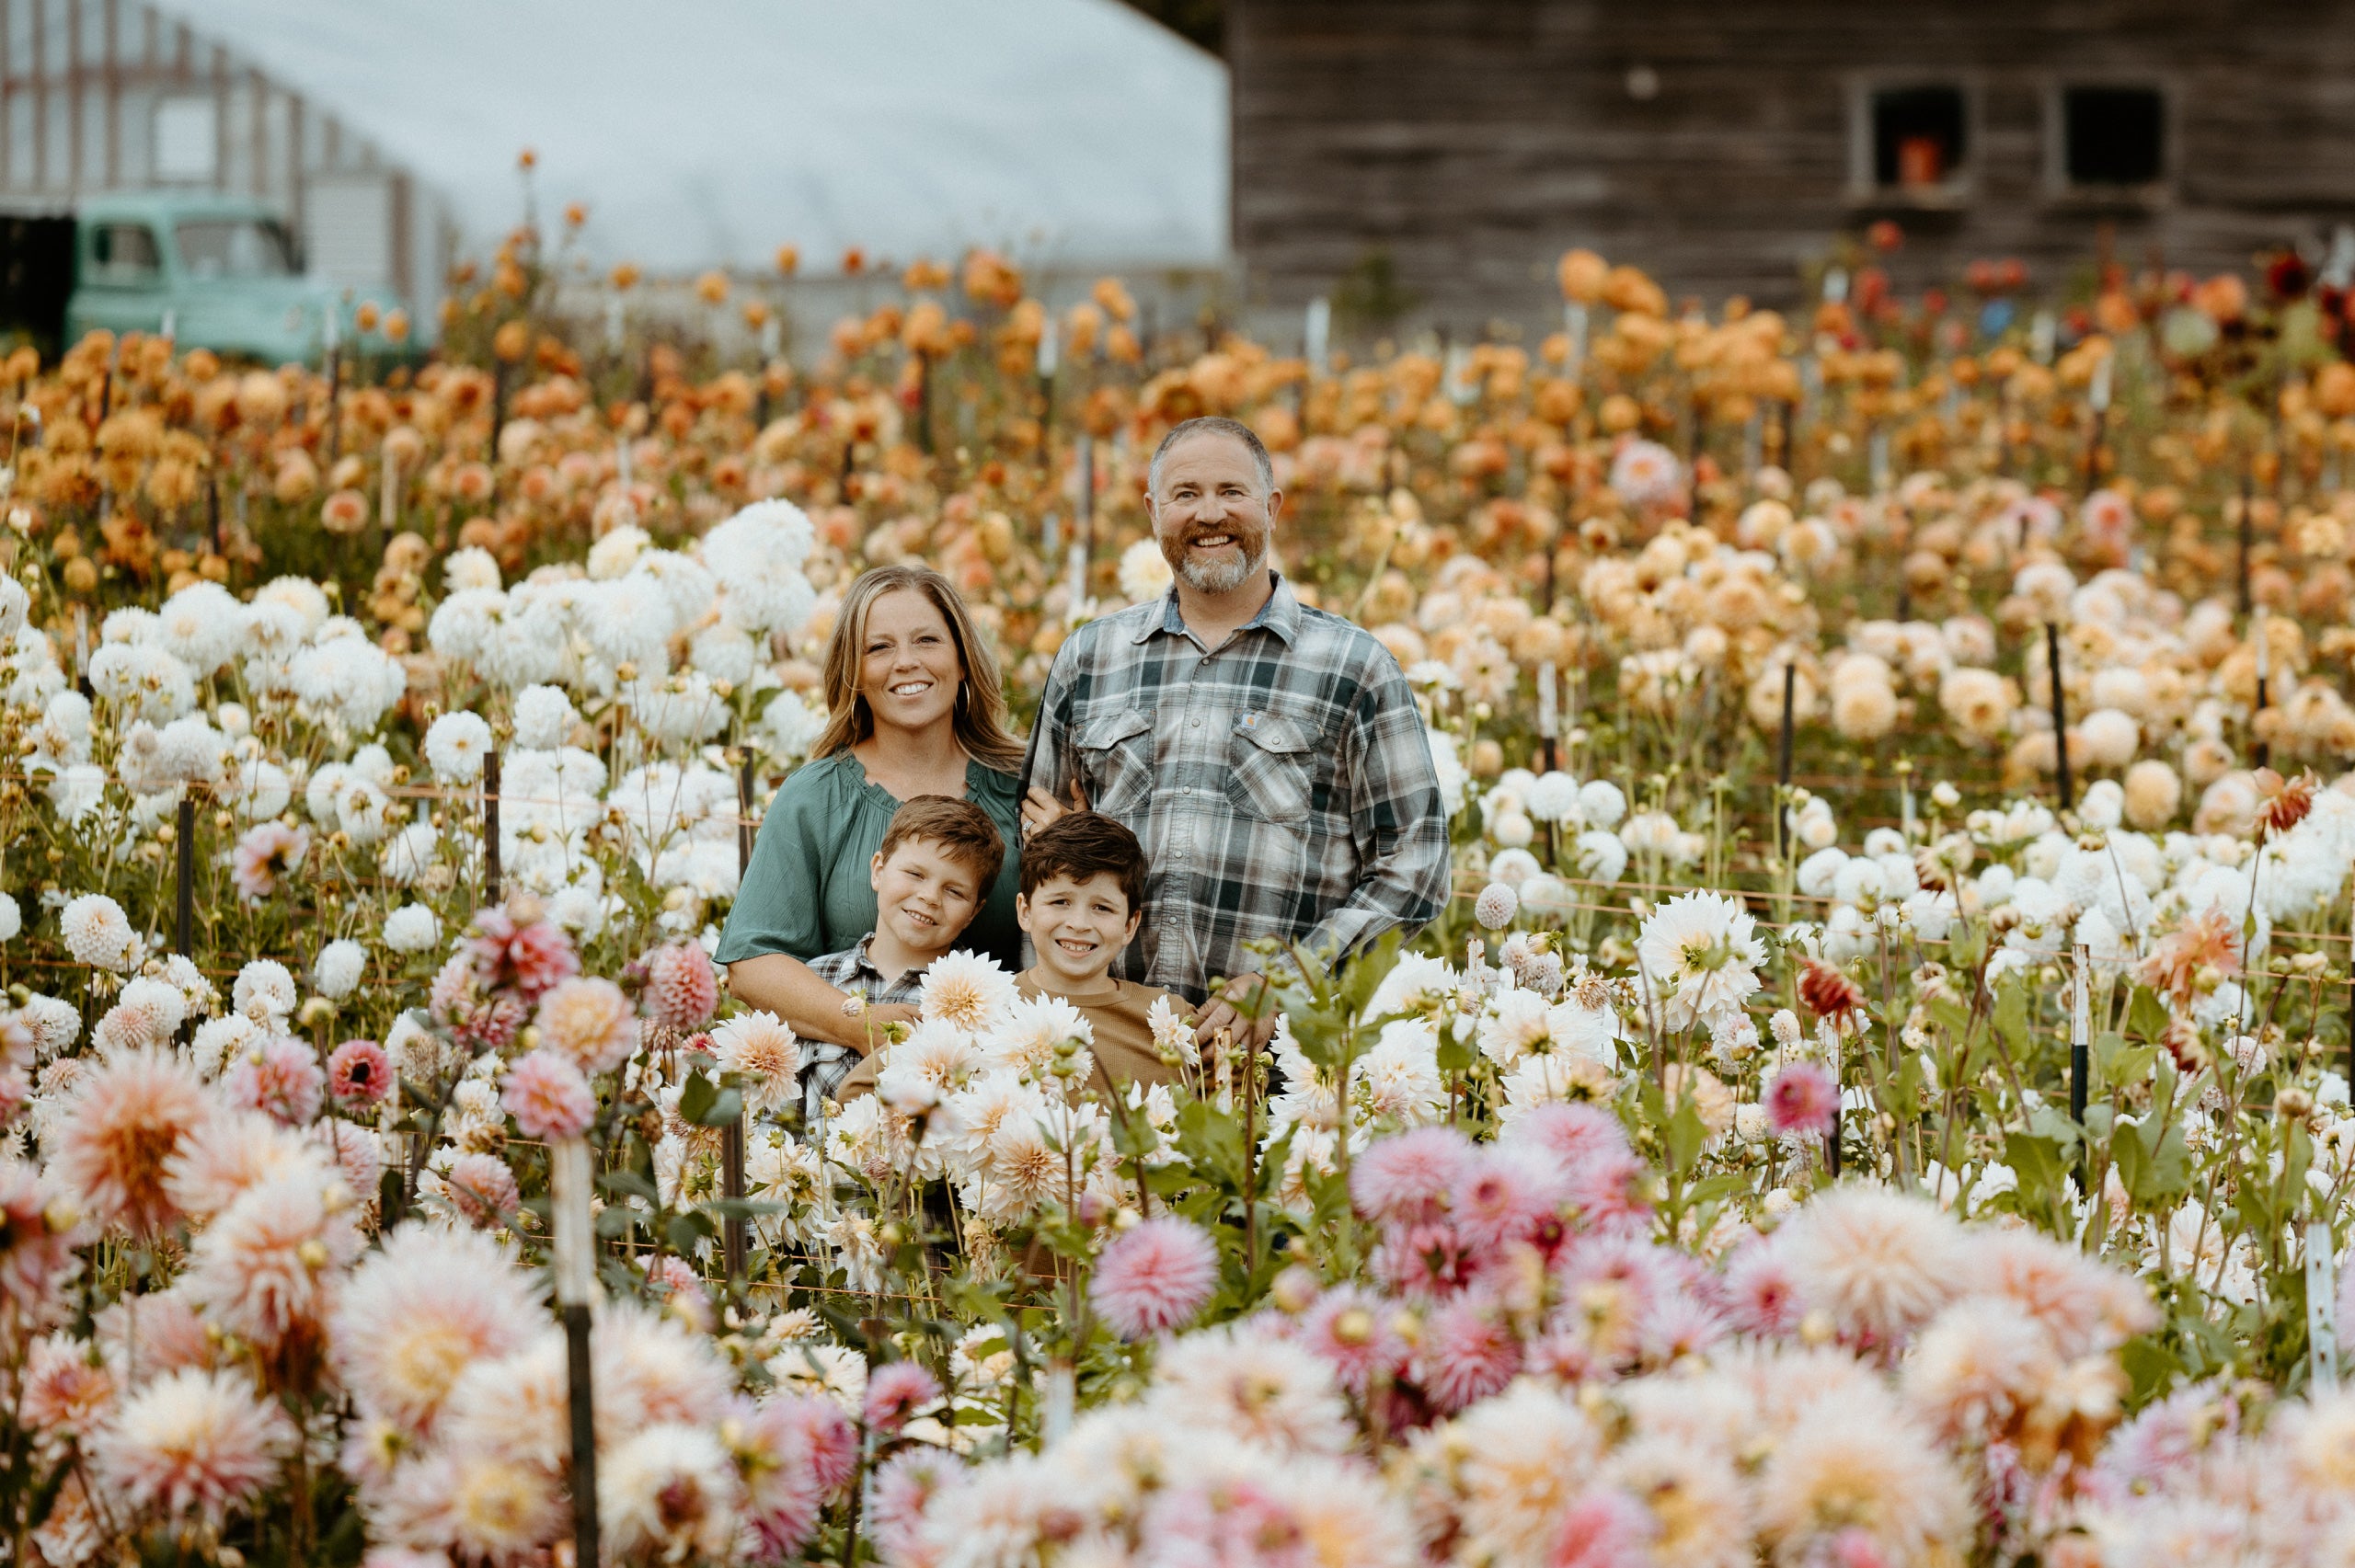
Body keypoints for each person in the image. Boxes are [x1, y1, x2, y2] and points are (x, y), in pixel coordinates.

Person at [1020, 415, 1452, 1047]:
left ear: (1272, 507)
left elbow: (1416, 863)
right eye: (1186, 495)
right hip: (1110, 1043)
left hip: (1276, 1057)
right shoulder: (1091, 658)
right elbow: (1039, 847)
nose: (1210, 514)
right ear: (1153, 510)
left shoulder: (1352, 667)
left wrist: (1291, 980)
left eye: (1232, 492)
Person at [719, 565, 1026, 1053]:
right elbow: (753, 965)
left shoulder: (1025, 788)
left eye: (927, 640)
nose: (906, 662)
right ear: (854, 673)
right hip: (849, 1096)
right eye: (879, 647)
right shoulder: (814, 798)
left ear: (963, 659)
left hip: (995, 1082)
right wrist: (860, 1024)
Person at [844, 811, 1190, 1102]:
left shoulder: (1169, 1019)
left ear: (1130, 925)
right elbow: (857, 1092)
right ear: (1024, 911)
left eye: (1102, 908)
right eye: (1060, 902)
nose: (1079, 924)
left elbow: (1231, 1110)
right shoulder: (978, 1007)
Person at [798, 794, 1004, 1117]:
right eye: (915, 874)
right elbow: (776, 1115)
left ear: (973, 912)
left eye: (954, 891)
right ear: (878, 870)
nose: (929, 897)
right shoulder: (813, 980)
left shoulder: (984, 1004)